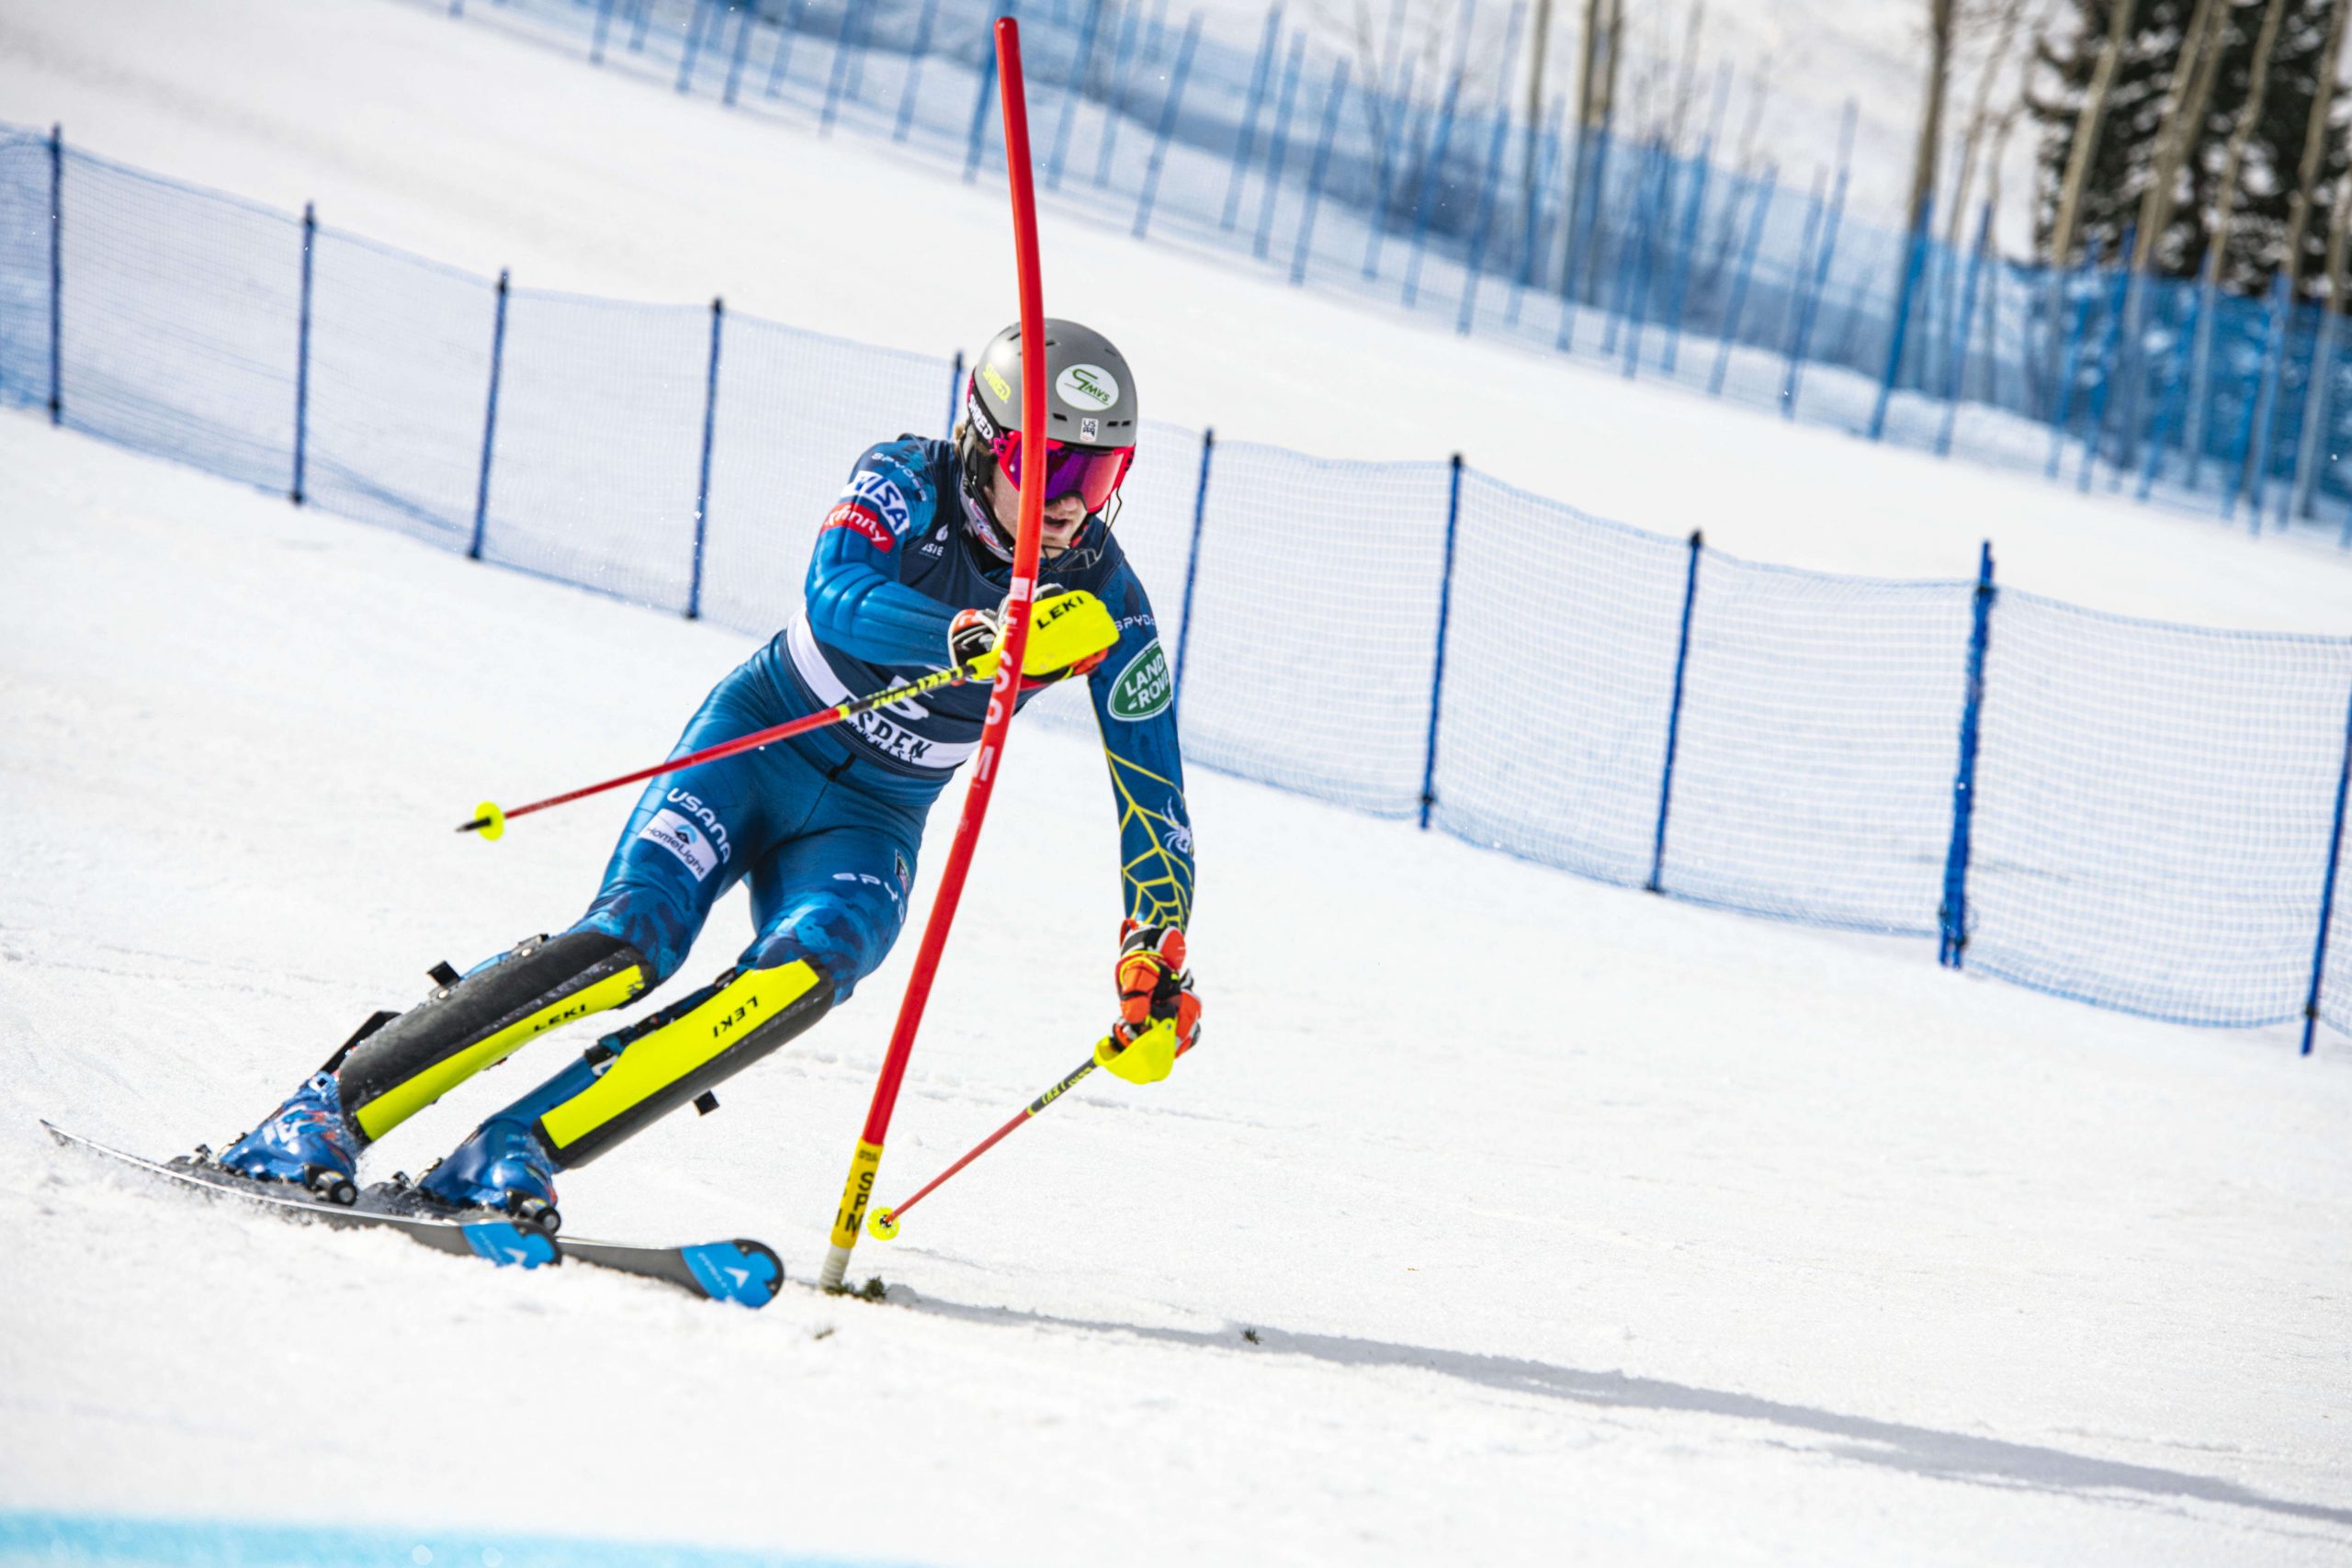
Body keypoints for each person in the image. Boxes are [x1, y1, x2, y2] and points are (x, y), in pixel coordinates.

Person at [213, 320, 1201, 1229]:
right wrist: (970, 635)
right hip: (762, 740)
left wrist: (1153, 947)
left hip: (873, 816)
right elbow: (837, 597)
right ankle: (324, 1111)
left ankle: (510, 1149)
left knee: (822, 958)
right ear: (986, 442)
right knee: (636, 939)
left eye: (1103, 469)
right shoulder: (904, 476)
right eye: (1054, 461)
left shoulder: (1105, 595)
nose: (1075, 502)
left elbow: (1151, 792)